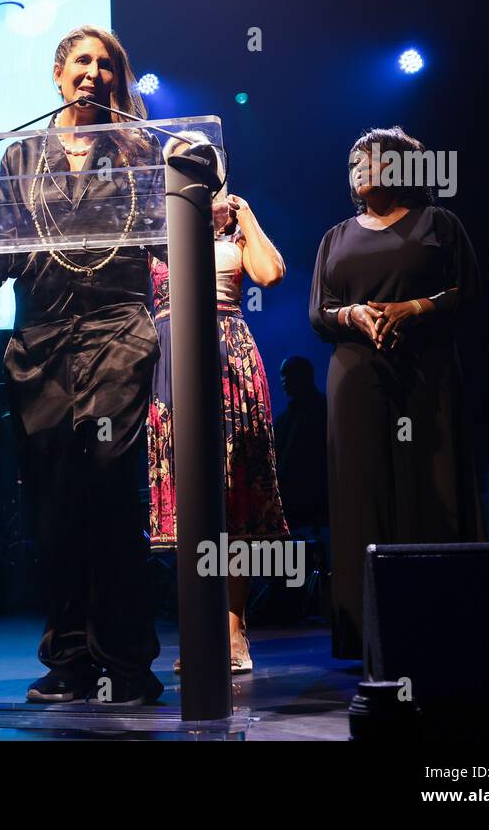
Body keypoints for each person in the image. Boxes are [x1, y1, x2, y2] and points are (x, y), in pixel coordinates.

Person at [0, 24, 165, 706]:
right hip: (40, 345)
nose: (94, 72)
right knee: (55, 502)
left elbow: (163, 243)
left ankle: (126, 660)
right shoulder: (22, 154)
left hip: (117, 332)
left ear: (118, 81)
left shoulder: (140, 151)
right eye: (82, 62)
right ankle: (69, 660)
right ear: (58, 75)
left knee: (112, 492)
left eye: (107, 65)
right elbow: (1, 260)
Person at [309, 126, 483, 660]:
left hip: (426, 372)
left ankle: (442, 624)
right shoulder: (336, 237)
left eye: (376, 159)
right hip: (357, 377)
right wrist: (355, 315)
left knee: (434, 486)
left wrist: (414, 308)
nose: (362, 166)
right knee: (363, 494)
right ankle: (368, 633)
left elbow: (467, 292)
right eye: (355, 160)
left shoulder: (440, 225)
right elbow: (319, 311)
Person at [147, 135, 289, 675]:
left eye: (200, 153)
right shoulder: (153, 230)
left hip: (229, 357)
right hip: (170, 359)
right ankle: (197, 629)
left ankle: (233, 628)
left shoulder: (232, 228)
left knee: (235, 498)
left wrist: (244, 211)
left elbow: (271, 274)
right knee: (188, 502)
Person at [274, 356, 329, 574]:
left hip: (315, 501)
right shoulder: (284, 419)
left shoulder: (323, 409)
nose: (284, 380)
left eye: (289, 374)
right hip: (292, 504)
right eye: (282, 375)